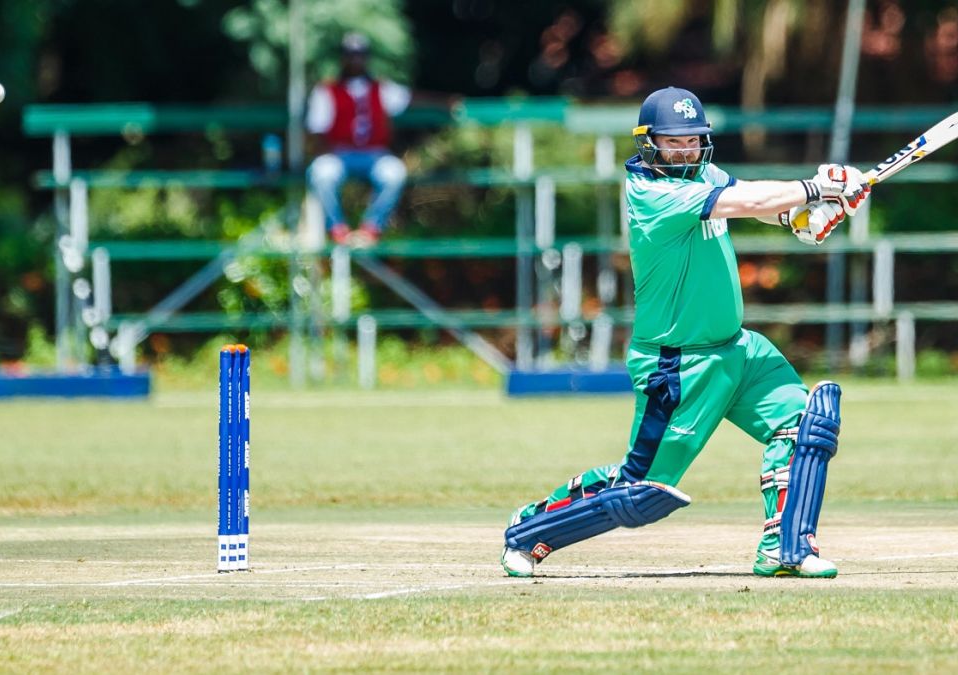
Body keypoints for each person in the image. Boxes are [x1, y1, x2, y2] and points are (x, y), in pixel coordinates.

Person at [500, 87, 869, 579]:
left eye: (694, 140)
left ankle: (787, 548)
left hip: (737, 349)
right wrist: (815, 188)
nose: (686, 150)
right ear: (648, 142)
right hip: (677, 365)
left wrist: (805, 215)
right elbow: (744, 200)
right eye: (674, 142)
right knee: (642, 489)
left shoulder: (702, 173)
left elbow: (755, 202)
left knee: (807, 426)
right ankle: (529, 531)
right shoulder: (653, 194)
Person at [306, 33, 411, 247]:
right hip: (339, 153)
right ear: (343, 58)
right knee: (321, 173)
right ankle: (337, 230)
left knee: (395, 173)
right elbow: (315, 131)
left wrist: (445, 103)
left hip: (374, 155)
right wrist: (322, 151)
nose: (355, 59)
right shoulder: (326, 90)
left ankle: (370, 229)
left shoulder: (381, 87)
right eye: (350, 55)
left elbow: (411, 99)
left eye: (360, 55)